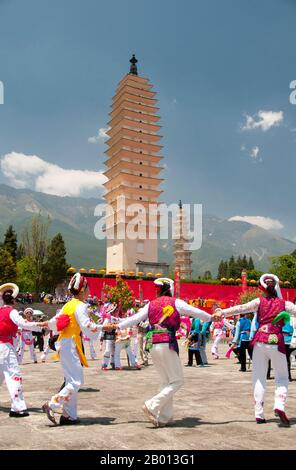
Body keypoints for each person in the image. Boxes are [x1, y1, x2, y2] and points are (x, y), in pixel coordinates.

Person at [110, 277, 212, 428]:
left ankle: (164, 417)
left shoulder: (150, 304)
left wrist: (117, 326)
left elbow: (134, 319)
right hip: (167, 342)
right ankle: (152, 405)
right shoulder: (176, 302)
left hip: (153, 343)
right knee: (177, 381)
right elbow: (197, 313)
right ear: (170, 289)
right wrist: (210, 317)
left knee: (166, 381)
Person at [215, 273, 296, 426]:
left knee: (259, 377)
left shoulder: (259, 301)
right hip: (276, 341)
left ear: (263, 288)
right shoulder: (285, 304)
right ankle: (279, 404)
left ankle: (259, 413)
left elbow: (241, 308)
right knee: (282, 376)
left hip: (259, 340)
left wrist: (222, 312)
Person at [41, 273, 105, 426]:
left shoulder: (68, 305)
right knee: (76, 381)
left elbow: (54, 323)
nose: (89, 290)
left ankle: (69, 415)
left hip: (64, 343)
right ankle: (53, 404)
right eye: (88, 287)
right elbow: (87, 326)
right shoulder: (81, 306)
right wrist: (103, 326)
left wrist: (44, 324)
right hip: (71, 344)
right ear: (82, 289)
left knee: (71, 380)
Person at [0, 283, 42, 417]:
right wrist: (39, 325)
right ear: (13, 300)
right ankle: (17, 408)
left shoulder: (0, 311)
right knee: (14, 375)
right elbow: (22, 323)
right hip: (6, 346)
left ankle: (17, 406)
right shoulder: (11, 312)